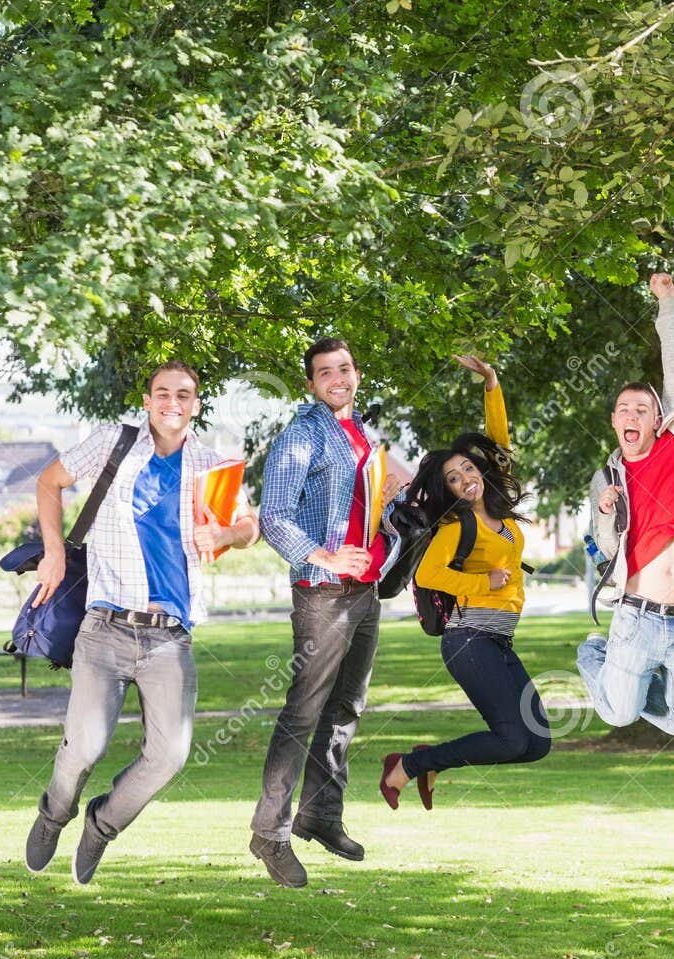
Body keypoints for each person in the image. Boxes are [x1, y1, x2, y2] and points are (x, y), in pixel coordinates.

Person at [24, 362, 259, 884]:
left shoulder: (212, 464)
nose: (172, 403)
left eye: (183, 394)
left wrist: (224, 537)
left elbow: (250, 526)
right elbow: (49, 482)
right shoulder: (114, 441)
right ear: (148, 400)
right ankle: (53, 815)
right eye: (162, 393)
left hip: (169, 639)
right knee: (84, 746)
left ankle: (100, 826)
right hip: (105, 627)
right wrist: (55, 553)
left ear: (196, 404)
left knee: (169, 756)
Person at [251, 337, 406, 888]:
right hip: (323, 591)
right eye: (325, 372)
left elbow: (367, 504)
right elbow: (274, 515)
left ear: (356, 374)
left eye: (344, 368)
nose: (337, 378)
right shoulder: (302, 435)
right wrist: (321, 554)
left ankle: (322, 813)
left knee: (347, 706)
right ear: (312, 384)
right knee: (304, 710)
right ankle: (270, 832)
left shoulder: (361, 434)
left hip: (365, 591)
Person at [379, 355, 551, 807]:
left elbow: (500, 444)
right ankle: (409, 765)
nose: (466, 479)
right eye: (454, 479)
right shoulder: (456, 528)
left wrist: (492, 384)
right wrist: (484, 584)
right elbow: (429, 573)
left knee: (537, 742)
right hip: (468, 639)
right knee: (513, 739)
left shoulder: (499, 514)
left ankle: (426, 761)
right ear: (448, 490)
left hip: (499, 640)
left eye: (468, 470)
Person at [576, 273, 674, 737]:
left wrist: (667, 301)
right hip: (636, 616)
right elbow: (605, 548)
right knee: (617, 714)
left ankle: (639, 681)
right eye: (623, 409)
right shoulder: (608, 478)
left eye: (642, 410)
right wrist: (604, 512)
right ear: (613, 421)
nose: (631, 416)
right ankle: (595, 653)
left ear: (659, 419)